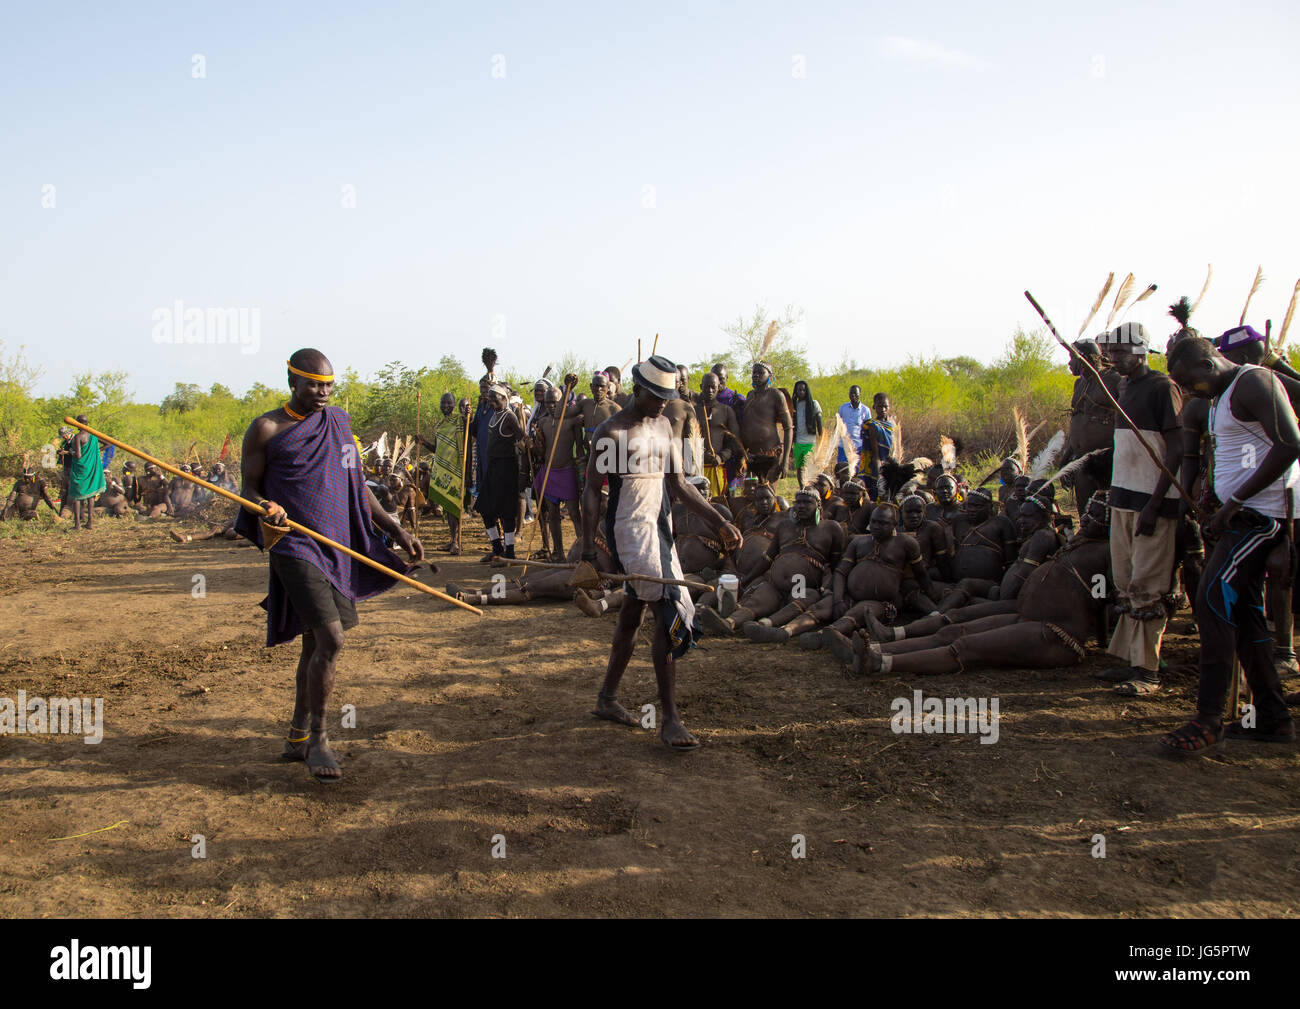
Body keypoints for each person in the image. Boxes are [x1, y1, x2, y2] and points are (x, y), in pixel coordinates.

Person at [234, 349, 423, 783]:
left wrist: (397, 531)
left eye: (328, 386)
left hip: (336, 544)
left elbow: (358, 487)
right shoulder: (266, 429)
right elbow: (249, 487)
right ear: (291, 381)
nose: (321, 393)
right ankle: (319, 740)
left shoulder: (337, 424)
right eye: (313, 385)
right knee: (331, 639)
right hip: (295, 544)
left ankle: (297, 736)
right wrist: (266, 506)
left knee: (312, 643)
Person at [575, 355, 741, 752]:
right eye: (657, 396)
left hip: (660, 528)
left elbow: (679, 485)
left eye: (668, 396)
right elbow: (590, 493)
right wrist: (587, 549)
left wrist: (718, 520)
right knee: (668, 607)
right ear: (638, 390)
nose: (664, 403)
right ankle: (670, 718)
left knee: (633, 612)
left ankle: (607, 699)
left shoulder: (665, 425)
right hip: (629, 531)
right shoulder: (610, 433)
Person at [1157, 337, 1300, 754]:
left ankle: (1208, 718)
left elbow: (1290, 443)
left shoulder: (1255, 383)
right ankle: (1272, 717)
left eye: (1190, 384)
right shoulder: (1220, 396)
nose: (1189, 393)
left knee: (1212, 599)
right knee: (1245, 614)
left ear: (1208, 363)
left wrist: (1234, 502)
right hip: (1240, 517)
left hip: (1261, 519)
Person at [852, 492, 1113, 676]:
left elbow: (1100, 597)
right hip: (1029, 619)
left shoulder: (1103, 553)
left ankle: (882, 663)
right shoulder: (1078, 544)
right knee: (952, 631)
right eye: (1088, 511)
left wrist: (1102, 643)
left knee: (966, 647)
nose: (1088, 518)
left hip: (1056, 635)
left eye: (1098, 515)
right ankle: (879, 646)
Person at [1094, 322, 1183, 697]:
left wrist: (1156, 503)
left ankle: (1148, 671)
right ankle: (1132, 660)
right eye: (1110, 352)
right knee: (1127, 579)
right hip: (1123, 497)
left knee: (1148, 582)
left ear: (1141, 351)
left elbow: (1177, 450)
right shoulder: (1123, 387)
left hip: (1152, 501)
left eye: (1120, 352)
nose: (1113, 359)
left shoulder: (1163, 388)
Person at [1058, 337, 1119, 514]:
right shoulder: (1079, 384)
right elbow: (1076, 422)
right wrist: (1066, 457)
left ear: (1084, 357)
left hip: (1107, 461)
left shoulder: (1113, 380)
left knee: (1108, 513)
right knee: (1086, 513)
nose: (1069, 363)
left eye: (1072, 357)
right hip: (1081, 459)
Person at [532, 384, 584, 561]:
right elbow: (541, 450)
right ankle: (558, 552)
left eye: (554, 402)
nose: (551, 406)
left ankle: (583, 553)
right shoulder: (543, 422)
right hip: (549, 473)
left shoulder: (573, 421)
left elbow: (580, 449)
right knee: (552, 515)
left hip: (567, 471)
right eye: (548, 403)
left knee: (574, 514)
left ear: (562, 402)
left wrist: (582, 470)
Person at [477, 384, 526, 558]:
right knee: (484, 509)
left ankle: (510, 552)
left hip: (506, 469)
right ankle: (497, 547)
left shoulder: (509, 417)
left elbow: (522, 440)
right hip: (493, 469)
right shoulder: (494, 415)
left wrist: (523, 468)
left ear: (504, 399)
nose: (491, 401)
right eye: (490, 398)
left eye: (494, 398)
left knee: (506, 512)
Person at [739, 361, 792, 484]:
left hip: (771, 455)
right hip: (751, 455)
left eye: (760, 372)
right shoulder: (750, 395)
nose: (756, 375)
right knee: (752, 495)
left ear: (770, 376)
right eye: (754, 373)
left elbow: (788, 428)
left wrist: (785, 460)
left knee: (768, 495)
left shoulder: (776, 395)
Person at [695, 372, 743, 499]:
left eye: (713, 387)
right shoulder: (693, 411)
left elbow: (735, 440)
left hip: (718, 468)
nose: (710, 390)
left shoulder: (726, 411)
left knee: (718, 504)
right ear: (701, 387)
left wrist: (721, 456)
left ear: (719, 387)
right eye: (706, 387)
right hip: (696, 469)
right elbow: (686, 439)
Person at [66, 416, 106, 531]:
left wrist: (70, 452)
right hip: (91, 468)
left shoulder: (78, 437)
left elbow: (78, 455)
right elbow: (108, 444)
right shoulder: (93, 435)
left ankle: (77, 525)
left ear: (78, 424)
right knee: (90, 495)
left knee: (77, 497)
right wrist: (97, 451)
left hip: (80, 469)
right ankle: (90, 523)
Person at [860, 393, 895, 498]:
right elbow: (876, 454)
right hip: (879, 464)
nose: (883, 409)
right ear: (874, 407)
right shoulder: (873, 426)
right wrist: (880, 473)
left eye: (885, 406)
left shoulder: (893, 425)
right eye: (880, 406)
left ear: (889, 406)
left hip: (892, 462)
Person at [791, 380, 822, 486]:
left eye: (803, 390)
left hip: (810, 441)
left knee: (807, 466)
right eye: (799, 390)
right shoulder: (793, 405)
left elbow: (819, 421)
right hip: (798, 441)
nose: (801, 392)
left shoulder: (813, 404)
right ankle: (802, 488)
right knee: (799, 468)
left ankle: (809, 487)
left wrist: (821, 436)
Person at [836, 386, 870, 480]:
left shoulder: (865, 410)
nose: (853, 395)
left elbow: (868, 429)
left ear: (860, 394)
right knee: (842, 471)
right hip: (844, 445)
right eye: (851, 393)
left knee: (858, 472)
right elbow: (838, 424)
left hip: (858, 446)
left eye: (856, 393)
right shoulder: (843, 408)